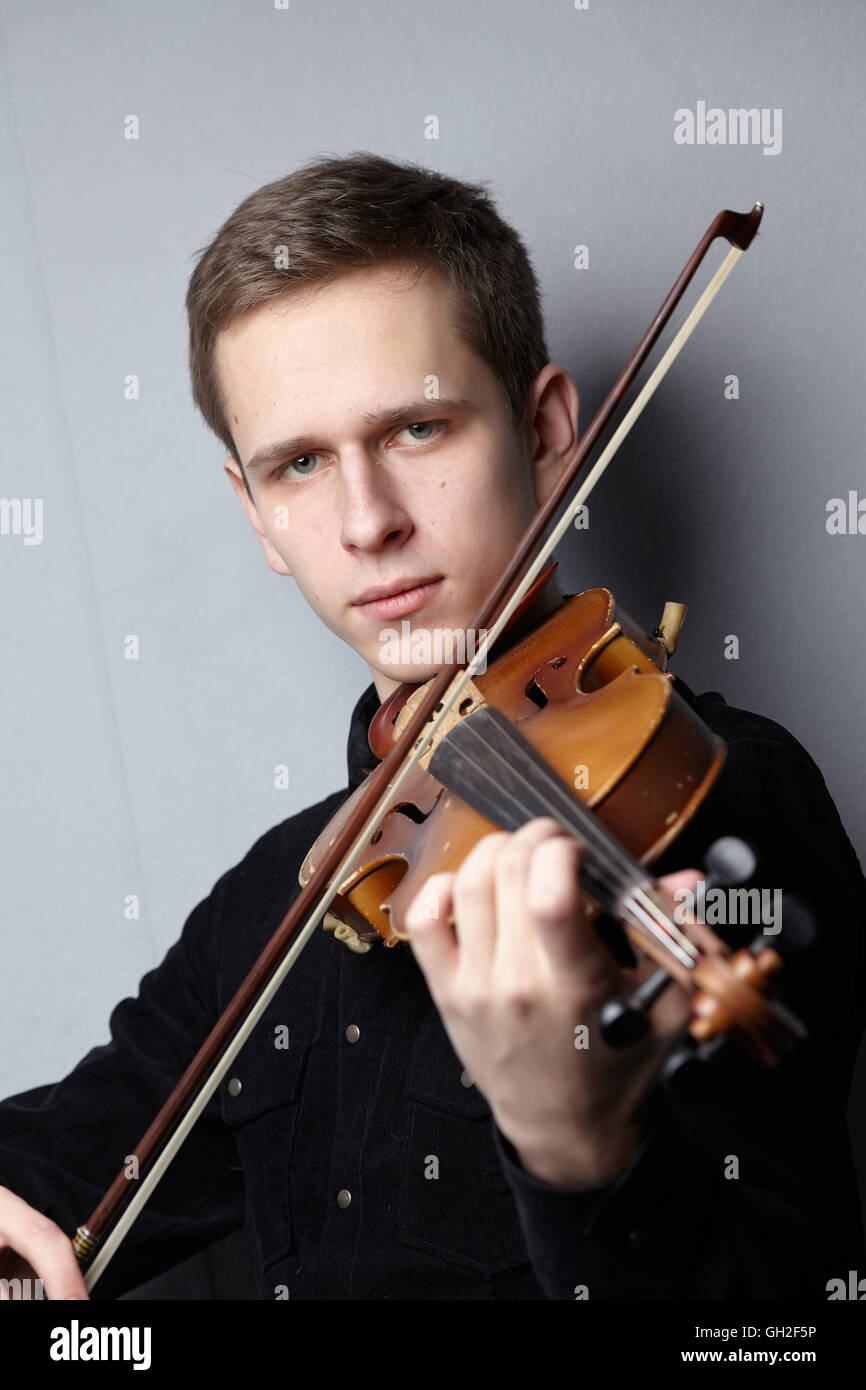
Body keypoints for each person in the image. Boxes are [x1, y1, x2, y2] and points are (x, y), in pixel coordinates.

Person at [1, 152, 864, 1302]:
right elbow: (63, 1156)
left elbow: (780, 1319)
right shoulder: (280, 897)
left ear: (549, 429)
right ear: (254, 514)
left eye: (416, 429)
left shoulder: (717, 795)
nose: (366, 522)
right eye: (300, 463)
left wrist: (582, 1157)